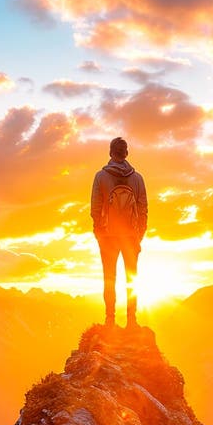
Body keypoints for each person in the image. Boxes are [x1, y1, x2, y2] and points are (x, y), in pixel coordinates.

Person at [91, 137, 148, 327]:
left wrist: (99, 233)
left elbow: (95, 208)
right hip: (131, 236)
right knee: (132, 278)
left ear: (110, 153)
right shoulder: (137, 178)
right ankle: (132, 320)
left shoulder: (100, 177)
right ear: (126, 154)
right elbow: (143, 209)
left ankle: (110, 319)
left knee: (109, 278)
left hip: (108, 236)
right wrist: (139, 235)